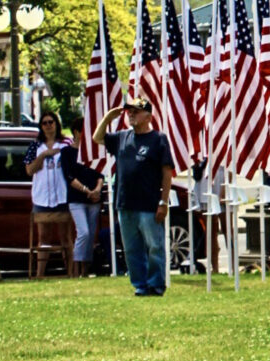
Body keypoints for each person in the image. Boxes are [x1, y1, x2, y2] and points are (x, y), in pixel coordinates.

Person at [93, 99, 173, 296]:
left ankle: (156, 284)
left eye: (136, 112)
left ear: (148, 116)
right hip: (125, 202)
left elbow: (167, 172)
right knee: (131, 249)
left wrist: (163, 201)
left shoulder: (158, 139)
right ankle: (140, 285)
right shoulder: (122, 137)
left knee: (154, 246)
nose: (131, 115)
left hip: (149, 203)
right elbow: (97, 138)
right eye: (129, 111)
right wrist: (107, 118)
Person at [23, 110, 71, 278]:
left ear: (57, 124)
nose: (49, 125)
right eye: (45, 123)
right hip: (42, 197)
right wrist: (43, 156)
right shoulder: (36, 146)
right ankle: (40, 274)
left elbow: (73, 167)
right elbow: (29, 170)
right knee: (44, 238)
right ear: (41, 126)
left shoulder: (66, 144)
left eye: (51, 122)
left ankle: (71, 272)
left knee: (65, 236)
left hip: (62, 195)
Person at [60, 119, 103, 277]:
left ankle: (86, 270)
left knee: (91, 235)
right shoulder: (67, 152)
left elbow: (100, 173)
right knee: (83, 232)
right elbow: (69, 177)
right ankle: (76, 268)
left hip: (94, 200)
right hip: (77, 199)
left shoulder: (94, 151)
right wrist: (87, 191)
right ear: (77, 132)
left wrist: (97, 190)